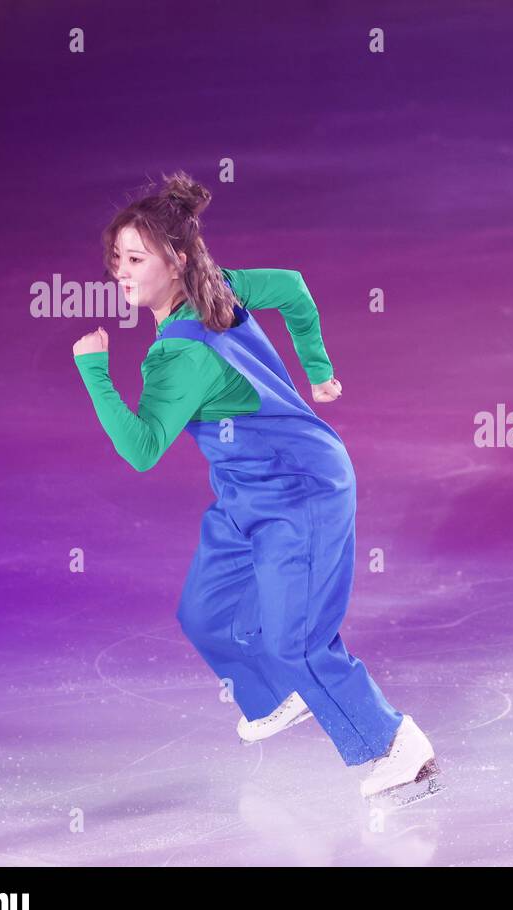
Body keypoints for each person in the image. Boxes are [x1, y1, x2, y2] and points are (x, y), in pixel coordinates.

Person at [72, 171, 442, 801]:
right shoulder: (220, 287)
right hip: (245, 491)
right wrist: (319, 371)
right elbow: (294, 289)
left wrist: (94, 372)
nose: (121, 273)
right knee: (207, 613)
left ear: (176, 260)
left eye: (135, 259)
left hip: (299, 490)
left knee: (296, 640)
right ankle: (281, 691)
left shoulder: (176, 358)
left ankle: (394, 745)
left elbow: (140, 450)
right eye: (117, 261)